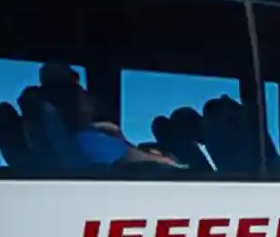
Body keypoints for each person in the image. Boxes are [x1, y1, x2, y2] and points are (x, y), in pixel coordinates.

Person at [38, 63, 181, 168]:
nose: (87, 96)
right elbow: (127, 155)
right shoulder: (84, 138)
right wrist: (164, 160)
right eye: (79, 92)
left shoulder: (77, 134)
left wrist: (118, 136)